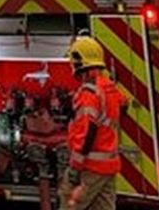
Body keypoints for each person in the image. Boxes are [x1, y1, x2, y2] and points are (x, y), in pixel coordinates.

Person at [60, 36, 124, 210]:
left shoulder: (89, 93)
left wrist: (75, 167)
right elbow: (122, 107)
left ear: (80, 63)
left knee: (69, 203)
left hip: (90, 168)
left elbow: (87, 132)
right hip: (108, 167)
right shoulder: (109, 87)